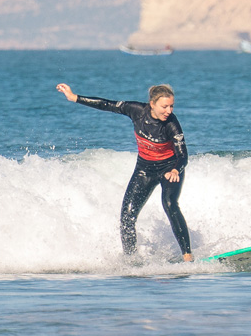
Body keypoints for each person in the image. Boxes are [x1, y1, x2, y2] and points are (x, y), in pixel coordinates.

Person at [56, 82, 193, 262]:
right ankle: (131, 259)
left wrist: (176, 168)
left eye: (171, 106)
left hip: (170, 169)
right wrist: (75, 98)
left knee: (169, 204)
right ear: (152, 104)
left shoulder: (172, 124)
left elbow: (183, 155)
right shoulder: (136, 110)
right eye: (164, 106)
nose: (168, 110)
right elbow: (107, 104)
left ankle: (187, 256)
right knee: (127, 216)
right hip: (144, 170)